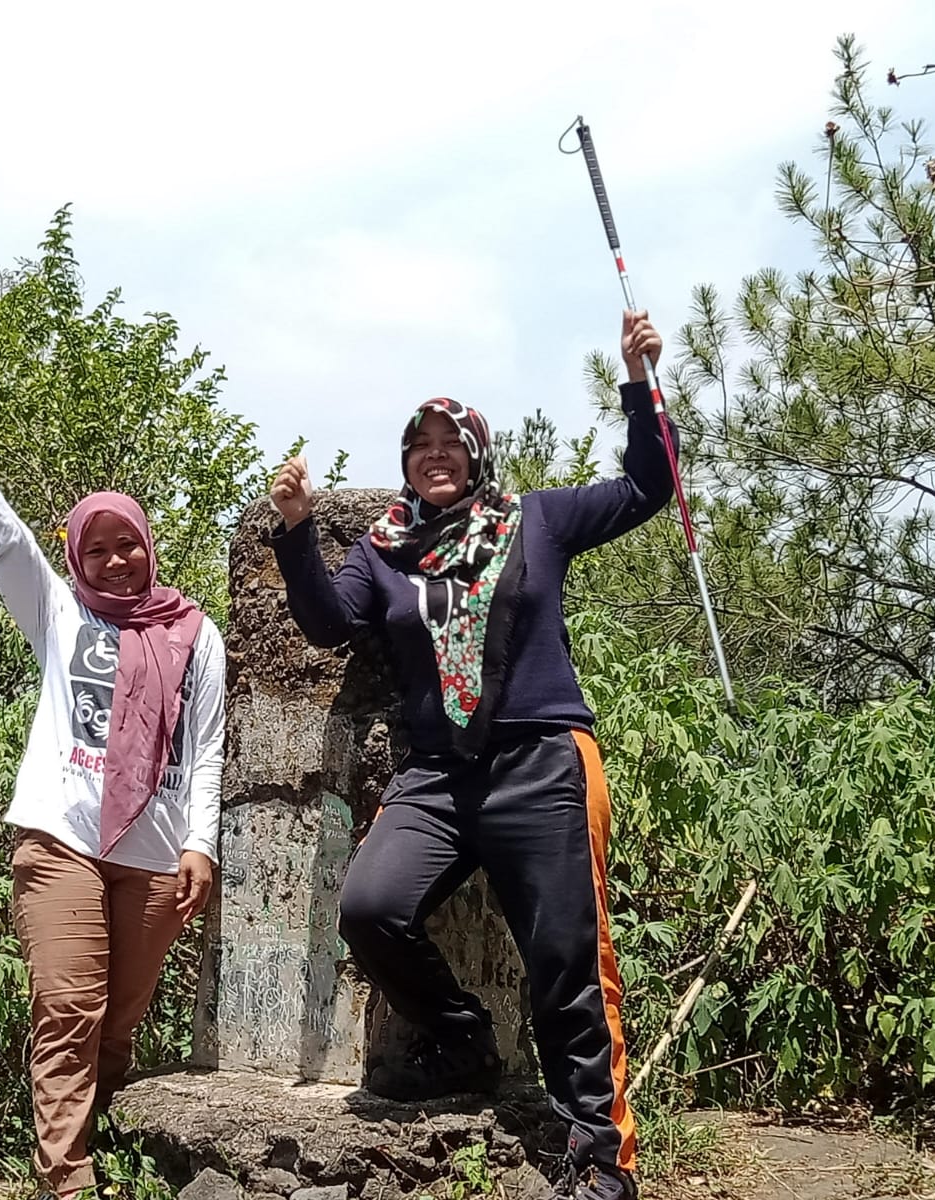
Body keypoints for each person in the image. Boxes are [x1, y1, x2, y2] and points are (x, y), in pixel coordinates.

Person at [266, 312, 670, 1200]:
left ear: (478, 451)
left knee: (566, 957)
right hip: (437, 776)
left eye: (450, 442)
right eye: (420, 446)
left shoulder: (537, 521)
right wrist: (297, 530)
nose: (434, 455)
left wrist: (640, 383)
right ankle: (461, 1039)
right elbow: (328, 624)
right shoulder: (385, 552)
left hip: (540, 760)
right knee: (370, 907)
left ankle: (600, 1159)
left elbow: (648, 486)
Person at [0, 378, 225, 1198]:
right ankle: (67, 1182)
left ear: (150, 545)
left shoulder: (197, 633)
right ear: (78, 555)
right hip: (62, 837)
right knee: (70, 1010)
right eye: (98, 547)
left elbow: (207, 745)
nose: (116, 558)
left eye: (129, 544)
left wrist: (200, 843)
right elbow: (4, 537)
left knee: (117, 1021)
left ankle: (106, 1141)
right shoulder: (60, 613)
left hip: (155, 850)